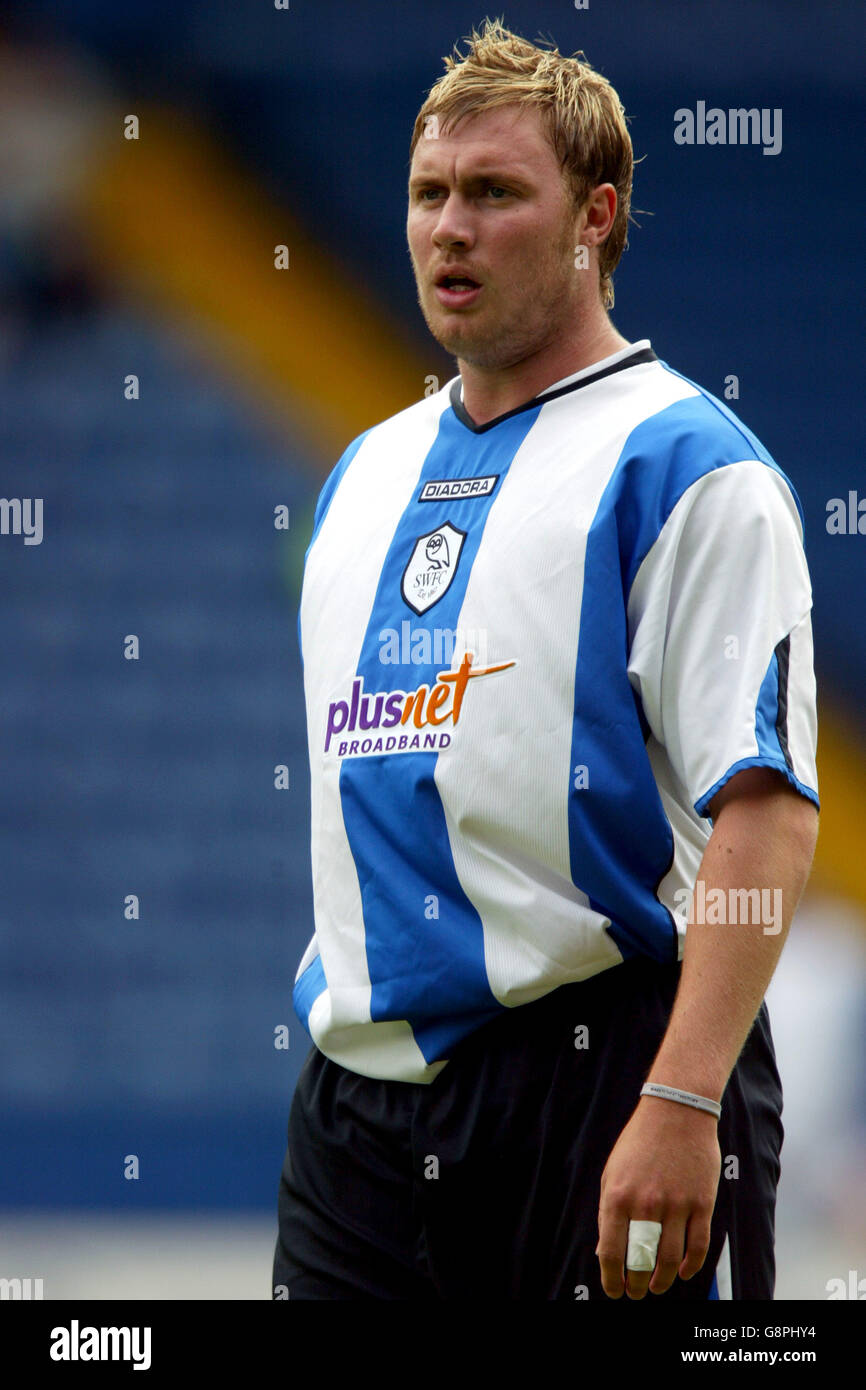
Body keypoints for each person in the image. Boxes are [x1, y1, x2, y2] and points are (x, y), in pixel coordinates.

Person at [272, 19, 819, 1301]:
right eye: (427, 194)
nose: (446, 227)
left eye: (492, 192)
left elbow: (764, 808)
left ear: (594, 216)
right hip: (357, 1115)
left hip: (605, 1083)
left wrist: (683, 1094)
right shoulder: (360, 475)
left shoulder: (689, 466)